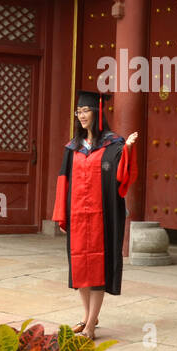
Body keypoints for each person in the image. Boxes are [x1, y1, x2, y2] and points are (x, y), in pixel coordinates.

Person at [52, 91, 138, 338]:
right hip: (78, 216)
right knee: (80, 266)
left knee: (97, 267)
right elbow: (63, 180)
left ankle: (90, 326)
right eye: (78, 112)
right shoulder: (73, 147)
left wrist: (128, 150)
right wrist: (61, 214)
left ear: (97, 113)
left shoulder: (113, 144)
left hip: (102, 218)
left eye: (85, 111)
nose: (81, 116)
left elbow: (123, 176)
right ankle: (87, 316)